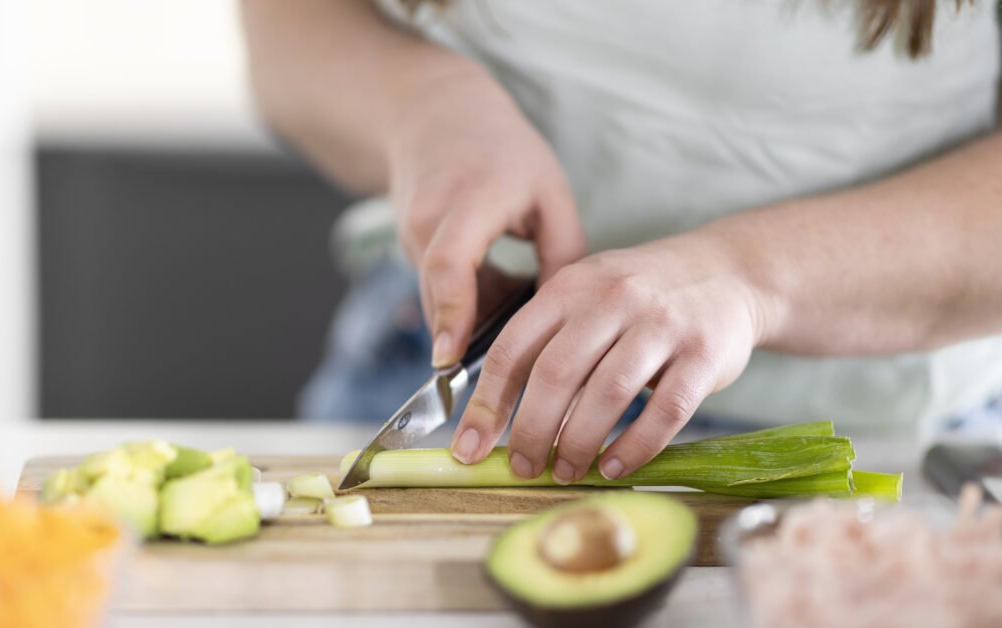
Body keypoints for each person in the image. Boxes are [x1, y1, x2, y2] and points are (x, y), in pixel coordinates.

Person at [242, 0, 1002, 484]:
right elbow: (286, 27)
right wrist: (416, 103)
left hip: (883, 438)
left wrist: (749, 275)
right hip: (434, 364)